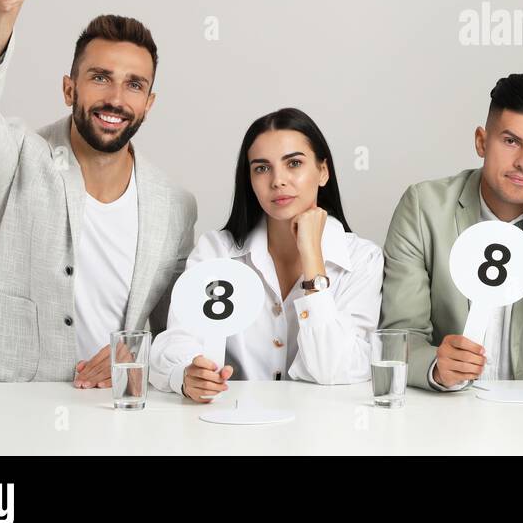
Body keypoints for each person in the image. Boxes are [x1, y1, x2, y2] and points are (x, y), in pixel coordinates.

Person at [0, 0, 196, 387]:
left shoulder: (175, 206)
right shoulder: (17, 159)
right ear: (69, 88)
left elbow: (175, 331)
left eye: (134, 85)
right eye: (99, 77)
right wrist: (4, 12)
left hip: (110, 418)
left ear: (149, 103)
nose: (115, 98)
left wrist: (136, 358)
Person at [378, 74, 523, 390]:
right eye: (510, 141)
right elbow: (399, 338)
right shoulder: (424, 208)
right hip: (447, 417)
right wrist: (435, 365)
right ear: (481, 141)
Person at [149, 108, 383, 398]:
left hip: (323, 430)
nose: (277, 181)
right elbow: (176, 341)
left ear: (322, 171)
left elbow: (334, 369)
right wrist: (185, 374)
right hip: (231, 427)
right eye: (261, 168)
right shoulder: (217, 251)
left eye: (294, 163)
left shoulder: (362, 259)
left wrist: (312, 257)